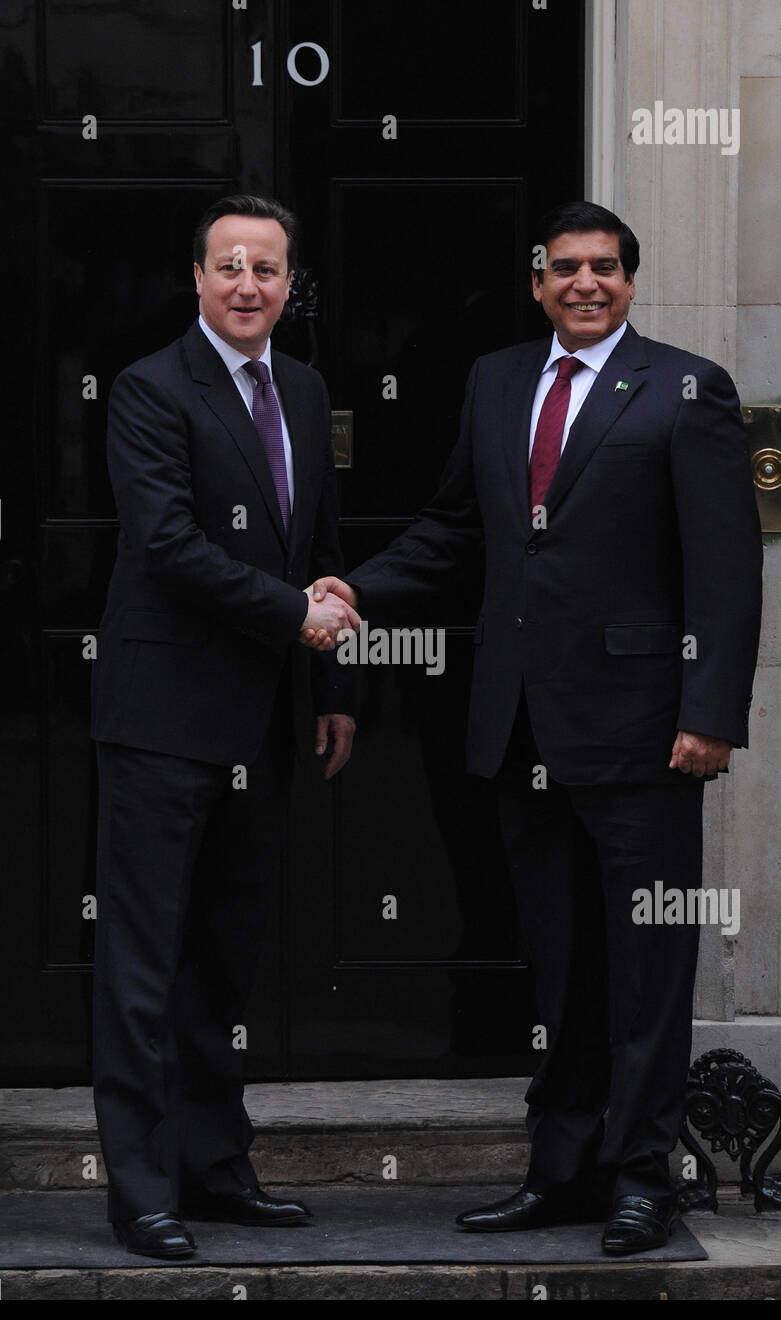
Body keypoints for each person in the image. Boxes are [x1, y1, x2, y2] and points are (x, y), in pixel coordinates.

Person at [304, 201, 763, 1254]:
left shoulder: (687, 389)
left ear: (630, 281)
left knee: (645, 968)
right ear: (537, 280)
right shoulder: (498, 381)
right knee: (558, 966)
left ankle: (642, 1179)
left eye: (605, 268)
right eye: (566, 268)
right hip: (521, 731)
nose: (585, 283)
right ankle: (561, 1172)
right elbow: (457, 530)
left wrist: (710, 716)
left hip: (645, 735)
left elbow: (726, 573)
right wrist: (355, 591)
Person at [91, 193, 359, 1260]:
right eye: (230, 266)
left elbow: (320, 542)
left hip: (266, 720)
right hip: (163, 718)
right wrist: (295, 613)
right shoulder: (150, 389)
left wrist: (334, 685)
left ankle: (213, 1166)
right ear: (196, 278)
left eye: (269, 269)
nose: (249, 285)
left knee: (222, 963)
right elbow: (167, 544)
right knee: (145, 964)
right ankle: (142, 1187)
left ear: (291, 285)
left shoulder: (301, 385)